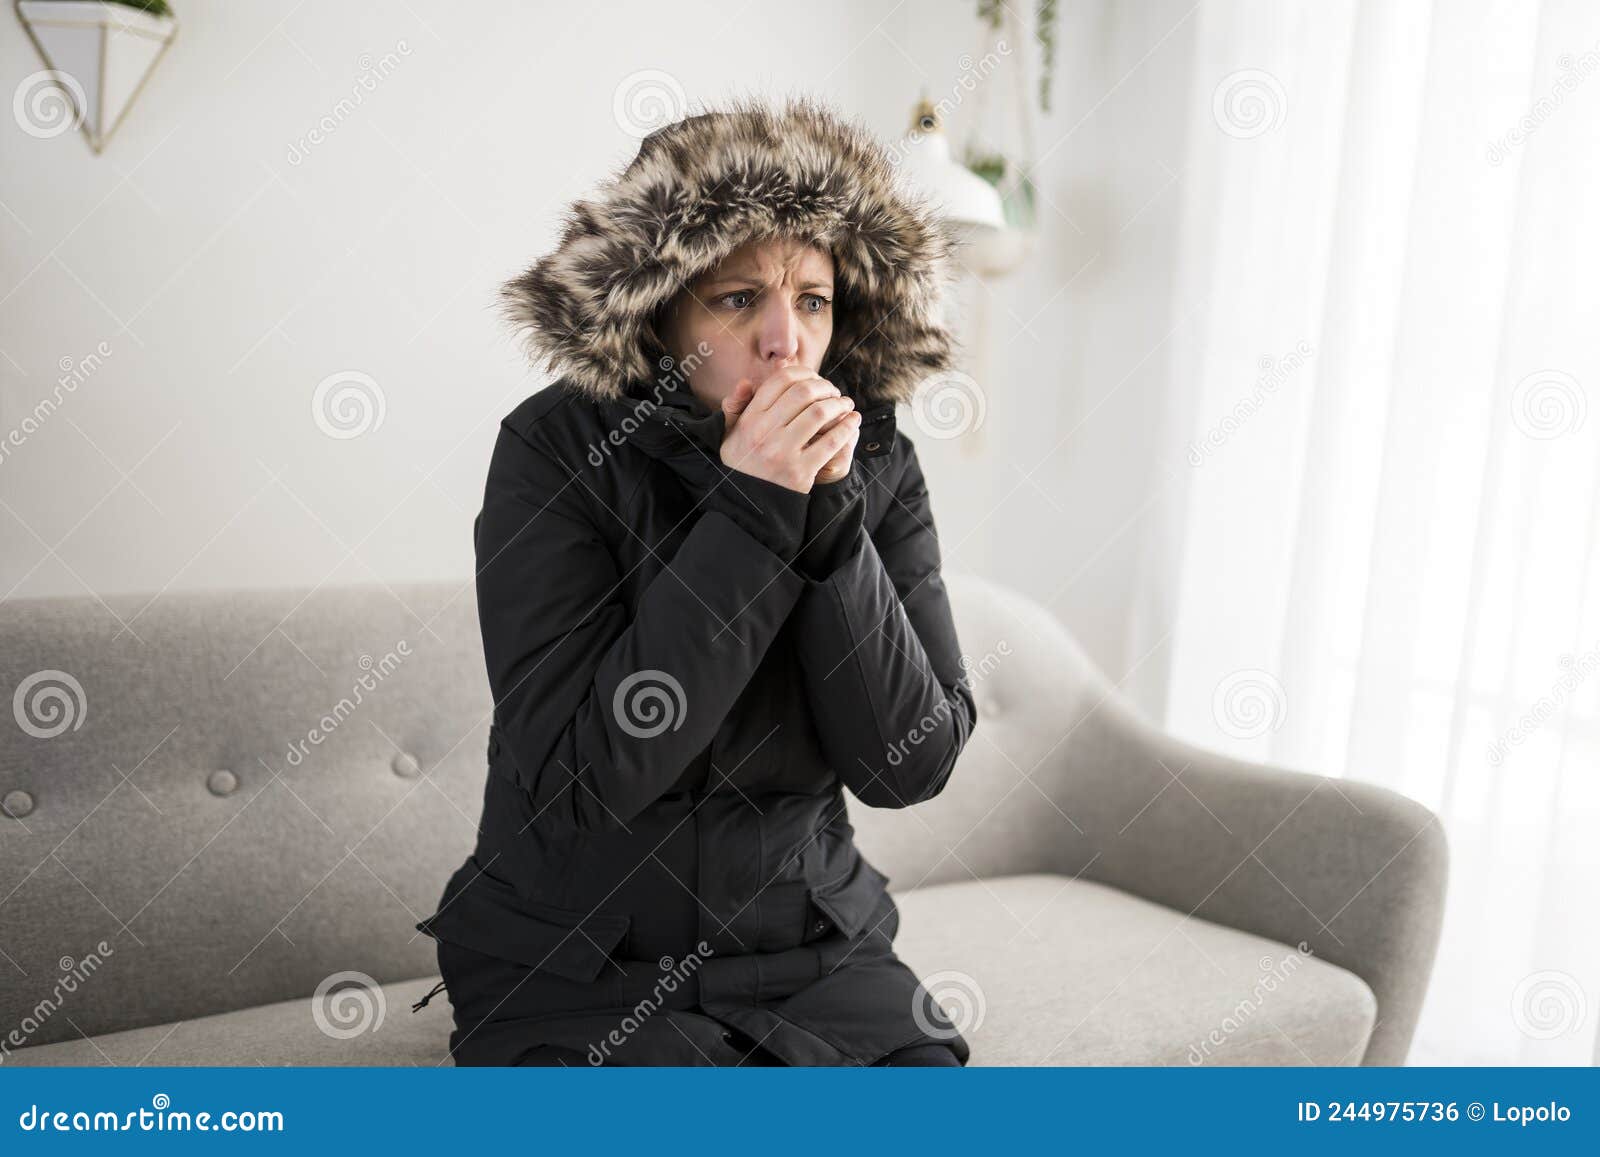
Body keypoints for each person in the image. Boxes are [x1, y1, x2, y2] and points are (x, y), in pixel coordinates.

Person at [411, 94, 979, 1066]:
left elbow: (908, 765)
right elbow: (588, 777)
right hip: (578, 962)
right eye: (735, 298)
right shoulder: (554, 449)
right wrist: (756, 509)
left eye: (812, 299)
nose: (785, 340)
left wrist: (828, 517)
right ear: (660, 307)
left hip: (814, 952)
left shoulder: (877, 457)